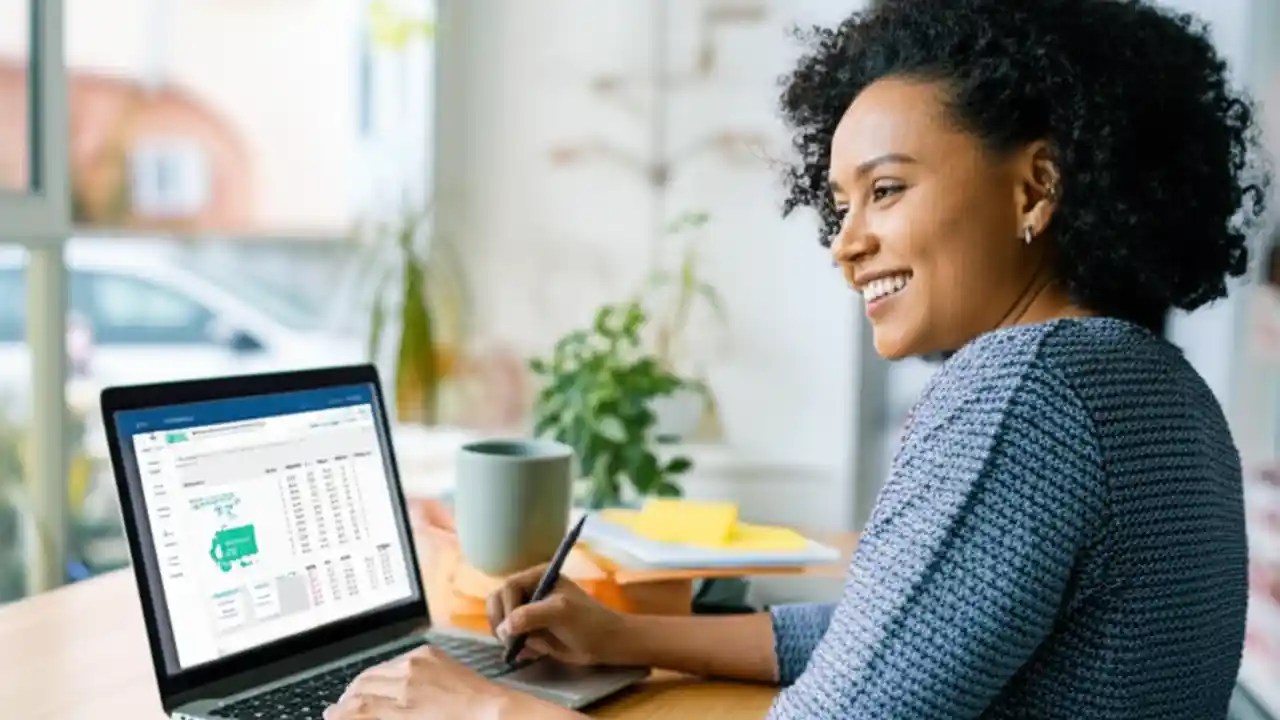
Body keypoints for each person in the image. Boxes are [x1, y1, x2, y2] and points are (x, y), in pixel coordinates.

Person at [324, 0, 1269, 717]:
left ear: (1039, 184)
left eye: (886, 190)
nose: (844, 244)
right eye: (840, 205)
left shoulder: (1024, 392)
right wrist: (623, 634)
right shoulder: (1159, 388)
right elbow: (900, 629)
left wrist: (481, 703)